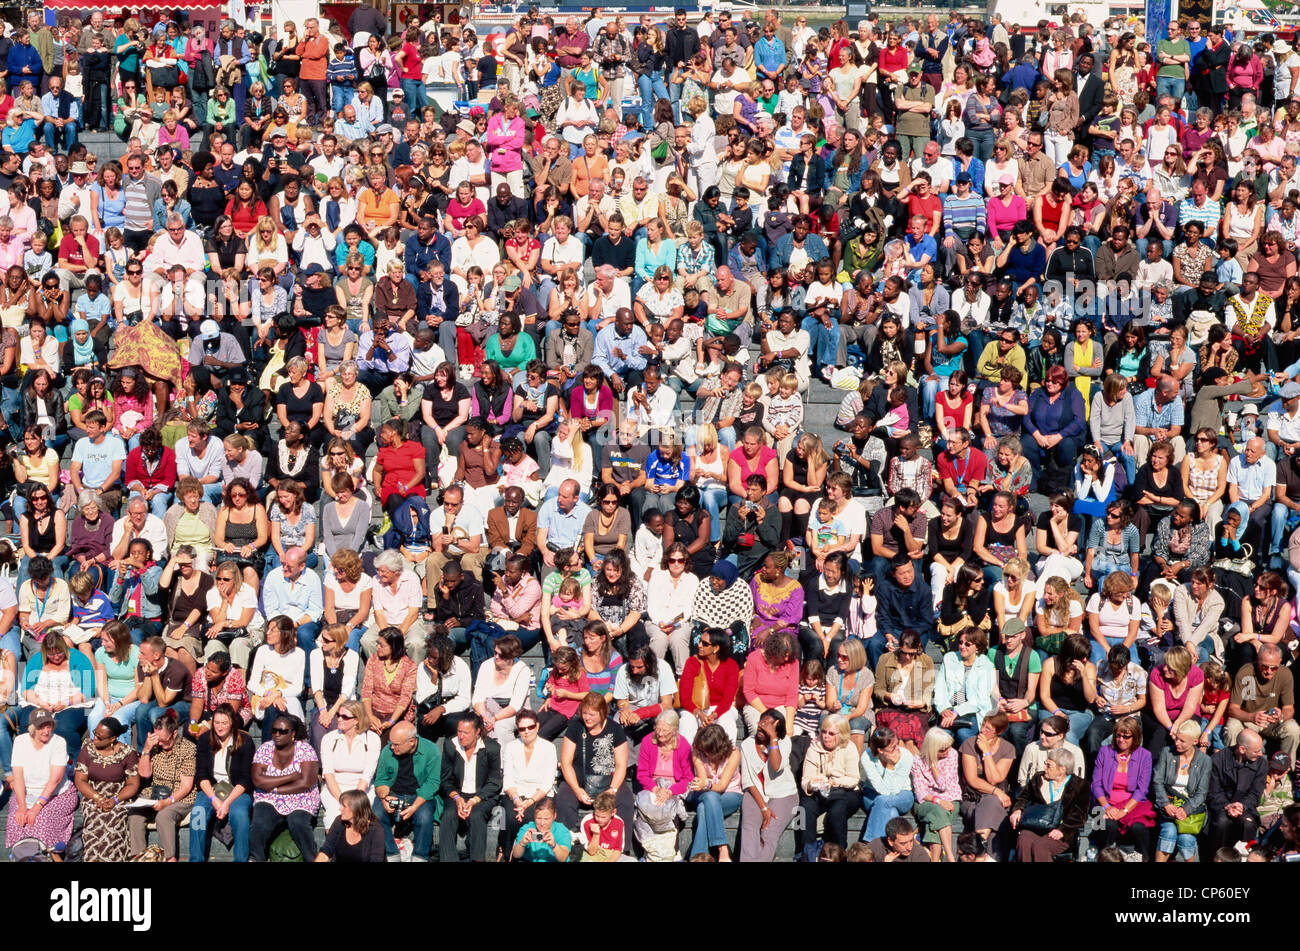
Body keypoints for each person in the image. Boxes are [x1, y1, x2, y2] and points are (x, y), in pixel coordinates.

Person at [249, 714, 320, 862]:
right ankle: (257, 858)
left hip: (302, 797)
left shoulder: (305, 749)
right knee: (259, 823)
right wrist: (290, 777)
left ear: (292, 733)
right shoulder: (265, 749)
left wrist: (275, 788)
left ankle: (312, 858)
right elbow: (257, 780)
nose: (277, 734)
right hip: (268, 798)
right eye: (274, 730)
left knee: (298, 822)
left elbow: (306, 782)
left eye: (282, 731)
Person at [126, 710, 196, 861]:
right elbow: (145, 774)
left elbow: (186, 786)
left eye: (164, 740)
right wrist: (146, 750)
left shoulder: (188, 749)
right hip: (156, 791)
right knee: (135, 814)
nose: (160, 743)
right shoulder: (154, 746)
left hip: (180, 795)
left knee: (164, 816)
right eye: (157, 739)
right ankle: (139, 857)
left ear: (174, 733)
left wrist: (167, 802)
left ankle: (170, 858)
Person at [188, 702, 253, 862]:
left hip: (237, 790)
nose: (220, 727)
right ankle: (196, 859)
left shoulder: (245, 741)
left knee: (239, 814)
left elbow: (245, 778)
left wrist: (227, 803)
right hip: (212, 789)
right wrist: (214, 800)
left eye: (224, 723)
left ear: (232, 723)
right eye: (216, 722)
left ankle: (241, 859)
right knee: (198, 813)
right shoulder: (204, 739)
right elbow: (201, 775)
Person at [72, 716, 140, 862]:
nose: (94, 738)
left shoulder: (128, 753)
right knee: (94, 818)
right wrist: (99, 798)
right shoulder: (88, 749)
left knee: (114, 819)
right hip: (93, 795)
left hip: (120, 796)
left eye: (99, 737)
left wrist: (115, 800)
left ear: (112, 739)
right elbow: (80, 780)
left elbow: (133, 784)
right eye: (95, 733)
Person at [1089, 715, 1156, 859]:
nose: (1121, 740)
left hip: (1133, 805)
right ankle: (1103, 857)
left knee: (1140, 828)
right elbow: (1096, 785)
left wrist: (1124, 810)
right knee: (1107, 825)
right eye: (1118, 736)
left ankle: (1143, 858)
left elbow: (1142, 790)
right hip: (1103, 804)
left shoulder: (1145, 756)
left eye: (1126, 737)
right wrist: (1107, 807)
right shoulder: (1105, 752)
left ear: (1135, 737)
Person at [439, 712, 501, 862]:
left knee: (476, 815)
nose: (461, 736)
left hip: (482, 795)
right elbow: (445, 780)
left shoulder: (491, 748)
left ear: (477, 732)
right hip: (458, 793)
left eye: (466, 733)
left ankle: (477, 859)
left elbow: (494, 782)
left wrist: (474, 800)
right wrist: (457, 798)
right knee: (448, 814)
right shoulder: (450, 744)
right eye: (459, 731)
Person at [1008, 746, 1090, 861]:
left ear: (1062, 769)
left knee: (1041, 846)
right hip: (1035, 825)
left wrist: (1062, 830)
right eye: (1045, 763)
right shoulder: (1038, 779)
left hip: (1060, 830)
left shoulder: (1079, 786)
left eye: (1049, 765)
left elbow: (1079, 815)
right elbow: (1023, 797)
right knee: (1023, 840)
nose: (1044, 768)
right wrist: (1017, 810)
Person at [1152, 719, 1212, 862]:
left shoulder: (1205, 760)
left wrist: (1186, 809)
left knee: (1186, 838)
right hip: (1168, 804)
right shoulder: (1167, 753)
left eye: (1182, 741)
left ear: (1195, 741)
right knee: (1169, 831)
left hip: (1190, 809)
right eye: (1177, 738)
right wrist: (1166, 804)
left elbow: (1202, 792)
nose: (1177, 743)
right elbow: (1157, 781)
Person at [1207, 727, 1268, 852]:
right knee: (1221, 823)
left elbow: (1255, 793)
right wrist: (1227, 806)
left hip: (1245, 807)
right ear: (1242, 749)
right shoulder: (1217, 760)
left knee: (1248, 824)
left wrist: (1241, 805)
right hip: (1221, 806)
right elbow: (1213, 791)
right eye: (1256, 751)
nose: (1260, 754)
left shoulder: (1261, 763)